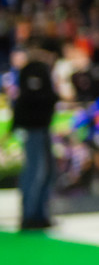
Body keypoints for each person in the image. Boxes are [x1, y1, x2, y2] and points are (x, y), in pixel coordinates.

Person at [13, 38, 61, 231]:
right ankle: (29, 215)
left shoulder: (36, 69)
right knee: (35, 171)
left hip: (41, 127)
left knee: (46, 171)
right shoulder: (34, 69)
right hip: (34, 128)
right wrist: (55, 97)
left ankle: (39, 214)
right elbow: (34, 98)